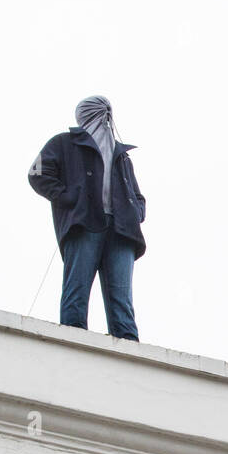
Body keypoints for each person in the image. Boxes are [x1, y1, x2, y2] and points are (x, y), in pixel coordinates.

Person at [28, 96, 146, 341]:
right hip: (85, 224)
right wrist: (69, 197)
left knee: (122, 297)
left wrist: (136, 212)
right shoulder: (63, 143)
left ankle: (129, 350)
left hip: (122, 230)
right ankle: (73, 341)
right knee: (77, 288)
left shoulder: (121, 155)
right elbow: (36, 173)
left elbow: (137, 194)